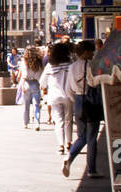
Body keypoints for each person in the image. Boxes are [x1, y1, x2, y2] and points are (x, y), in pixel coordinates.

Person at [64, 41, 104, 178]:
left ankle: (69, 158)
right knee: (92, 137)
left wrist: (76, 100)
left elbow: (67, 88)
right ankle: (91, 170)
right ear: (86, 52)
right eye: (91, 51)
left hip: (78, 102)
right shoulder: (91, 65)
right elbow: (94, 83)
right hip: (90, 101)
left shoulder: (72, 66)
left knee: (82, 137)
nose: (93, 53)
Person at [41, 41, 75, 155]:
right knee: (68, 120)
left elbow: (42, 82)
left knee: (58, 121)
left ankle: (61, 145)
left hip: (54, 96)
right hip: (68, 95)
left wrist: (45, 88)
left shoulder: (50, 66)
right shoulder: (70, 64)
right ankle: (69, 143)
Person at [17, 45, 44, 130]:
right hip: (36, 83)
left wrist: (22, 85)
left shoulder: (24, 61)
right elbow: (40, 74)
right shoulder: (39, 62)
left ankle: (25, 122)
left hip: (26, 83)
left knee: (26, 105)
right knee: (36, 105)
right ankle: (37, 123)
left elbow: (24, 75)